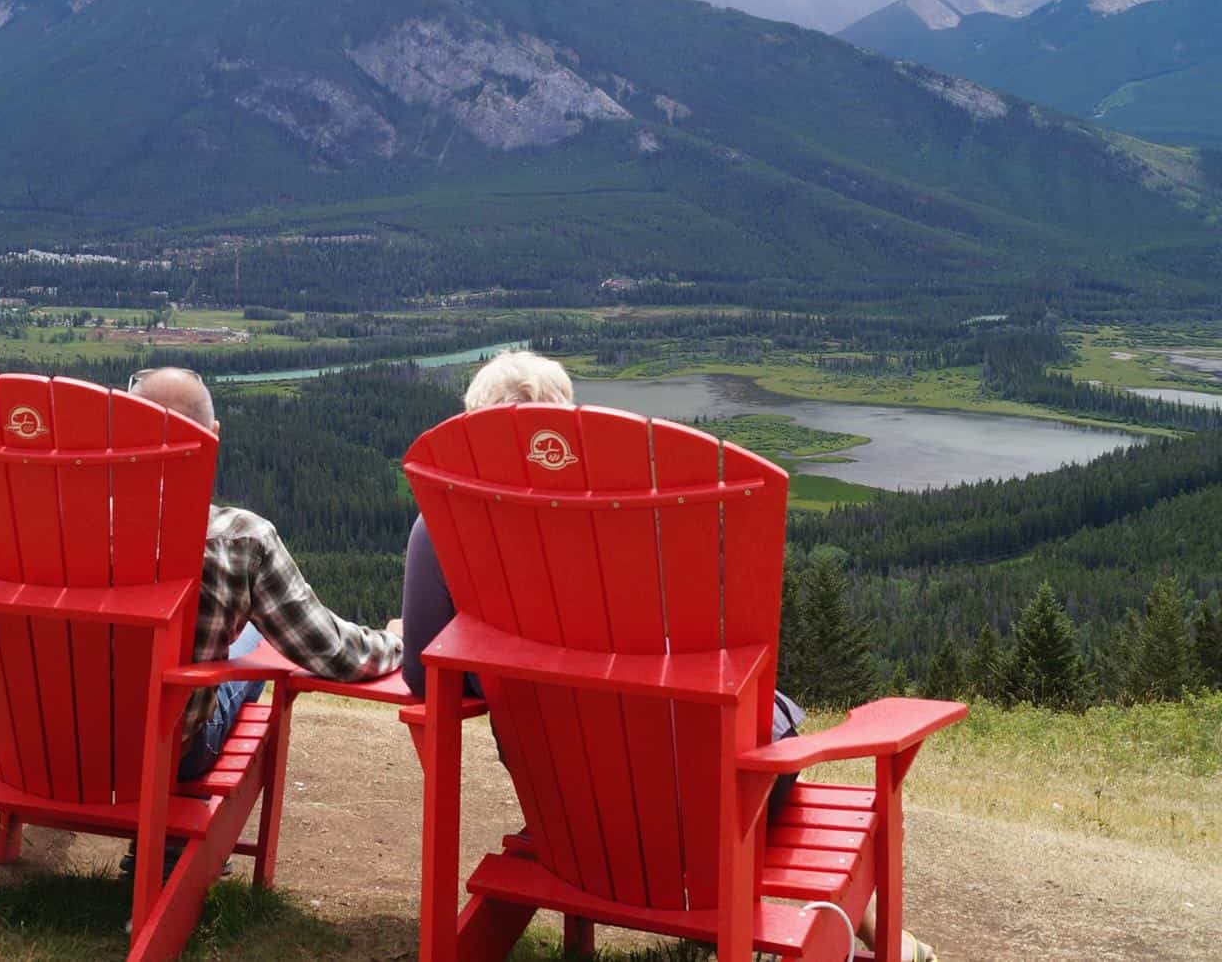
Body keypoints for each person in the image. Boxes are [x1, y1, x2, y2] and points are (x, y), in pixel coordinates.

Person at [398, 351, 934, 961]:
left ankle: (861, 941)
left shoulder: (442, 524)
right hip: (703, 812)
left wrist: (496, 665)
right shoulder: (638, 516)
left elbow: (421, 672)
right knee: (769, 754)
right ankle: (880, 944)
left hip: (572, 820)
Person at [128, 366, 402, 782]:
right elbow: (335, 654)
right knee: (255, 642)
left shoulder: (50, 526)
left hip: (48, 745)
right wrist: (396, 641)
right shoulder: (241, 540)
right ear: (213, 435)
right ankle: (174, 836)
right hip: (171, 756)